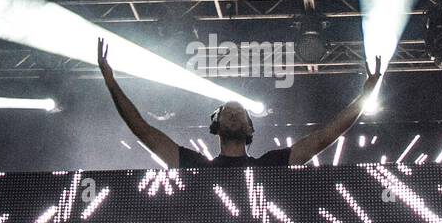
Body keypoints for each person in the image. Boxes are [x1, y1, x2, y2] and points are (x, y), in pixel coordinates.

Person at [97, 37, 383, 167]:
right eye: (227, 112)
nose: (233, 115)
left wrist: (366, 95)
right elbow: (142, 130)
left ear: (250, 127)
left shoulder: (272, 164)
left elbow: (326, 136)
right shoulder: (193, 164)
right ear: (216, 125)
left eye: (239, 113)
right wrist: (111, 82)